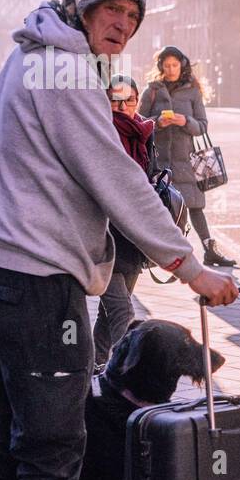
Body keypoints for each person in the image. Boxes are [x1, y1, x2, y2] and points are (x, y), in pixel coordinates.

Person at [0, 0, 239, 480]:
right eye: (111, 10)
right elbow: (113, 176)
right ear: (82, 6)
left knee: (9, 438)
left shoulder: (32, 57)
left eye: (132, 16)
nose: (122, 24)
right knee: (56, 444)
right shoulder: (62, 69)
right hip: (34, 283)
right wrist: (190, 267)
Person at [140, 45, 236, 267]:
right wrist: (158, 122)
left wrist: (185, 122)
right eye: (167, 65)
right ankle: (162, 255)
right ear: (161, 67)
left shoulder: (192, 91)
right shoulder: (151, 91)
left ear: (181, 65)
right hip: (161, 161)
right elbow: (140, 123)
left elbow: (202, 126)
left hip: (187, 161)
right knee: (164, 208)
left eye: (175, 65)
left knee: (195, 208)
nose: (171, 69)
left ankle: (209, 250)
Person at [90, 74, 155, 370]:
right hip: (103, 238)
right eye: (115, 99)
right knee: (121, 313)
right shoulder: (98, 133)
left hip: (133, 239)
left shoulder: (144, 132)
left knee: (110, 315)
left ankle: (92, 367)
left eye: (129, 99)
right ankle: (131, 373)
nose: (122, 106)